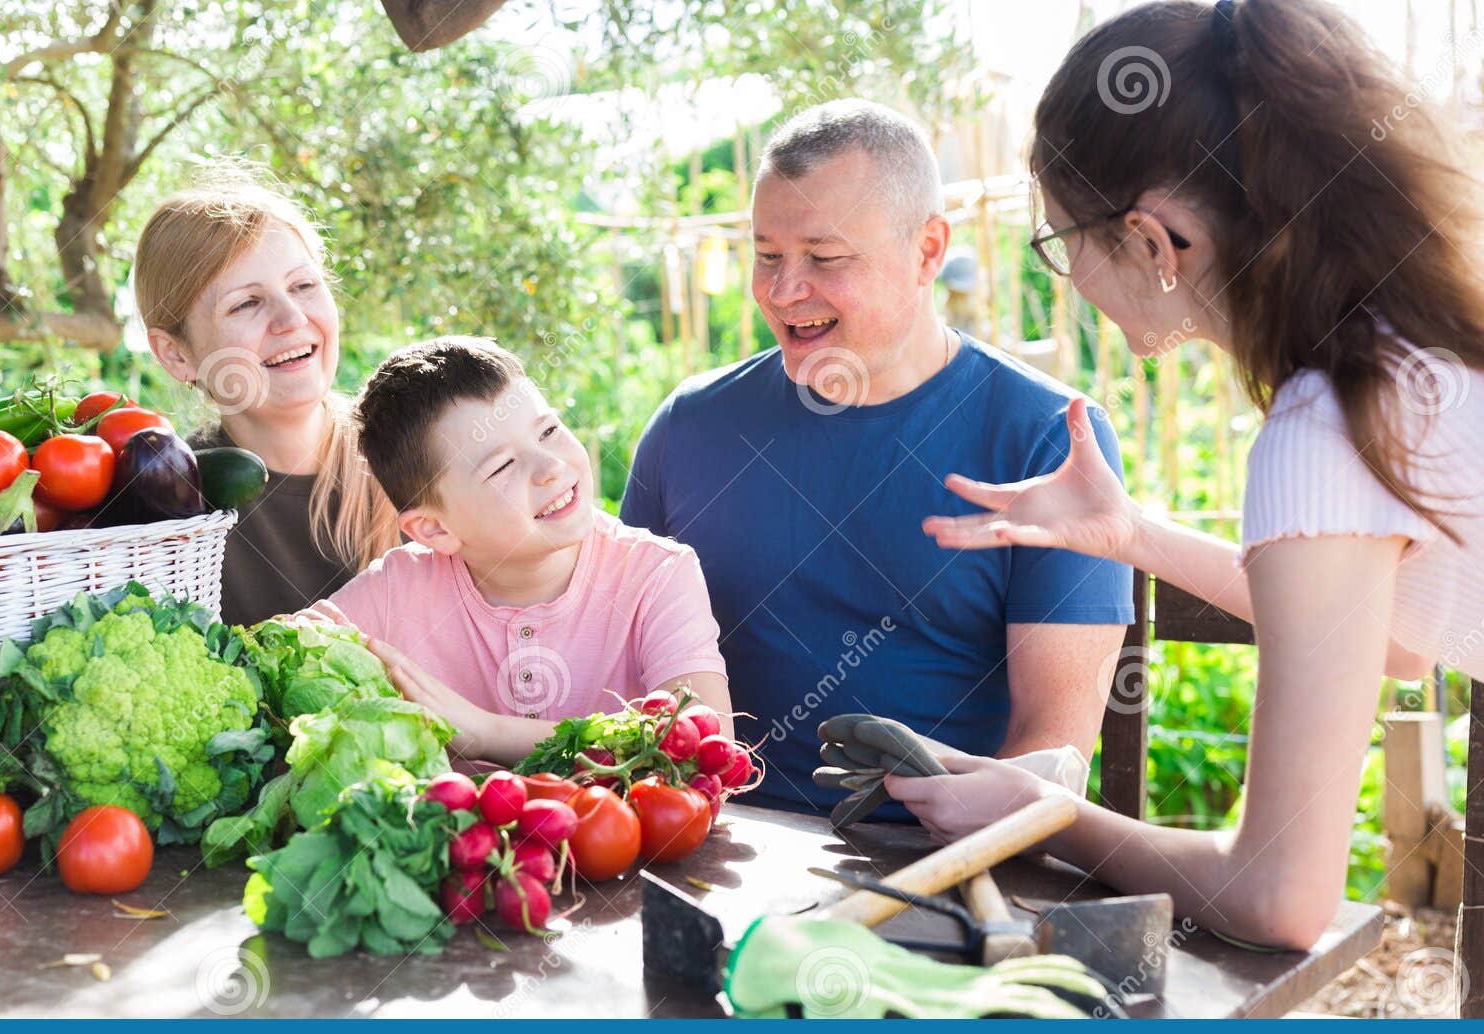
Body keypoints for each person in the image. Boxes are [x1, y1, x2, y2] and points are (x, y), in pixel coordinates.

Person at [895, 0, 1484, 948]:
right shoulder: (1406, 358)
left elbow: (1276, 894)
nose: (1070, 281)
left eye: (1061, 242)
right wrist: (1133, 537)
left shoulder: (1328, 420)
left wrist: (1040, 812)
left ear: (1152, 241)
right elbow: (1396, 640)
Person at [621, 99, 1133, 818]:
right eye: (767, 254)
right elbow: (617, 674)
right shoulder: (690, 427)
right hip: (713, 850)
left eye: (824, 258)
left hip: (935, 868)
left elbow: (1051, 750)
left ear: (927, 250)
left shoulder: (1046, 438)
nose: (781, 289)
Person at [306, 337, 733, 767]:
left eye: (548, 431)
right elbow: (284, 653)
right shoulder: (393, 593)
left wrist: (485, 733)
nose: (550, 467)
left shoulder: (657, 575)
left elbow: (702, 747)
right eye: (502, 467)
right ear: (434, 528)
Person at [135, 172, 401, 626]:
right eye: (245, 304)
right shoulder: (165, 512)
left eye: (303, 286)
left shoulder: (414, 455)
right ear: (177, 355)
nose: (291, 318)